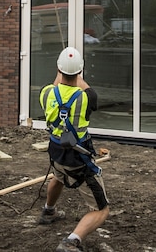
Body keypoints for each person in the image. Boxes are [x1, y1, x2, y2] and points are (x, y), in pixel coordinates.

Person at [37, 47, 109, 252]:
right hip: (78, 158)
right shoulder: (87, 97)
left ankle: (48, 211)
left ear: (58, 70)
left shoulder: (46, 93)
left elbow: (55, 86)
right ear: (80, 72)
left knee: (58, 175)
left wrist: (61, 71)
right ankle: (72, 241)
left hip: (56, 151)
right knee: (101, 210)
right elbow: (85, 89)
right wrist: (75, 72)